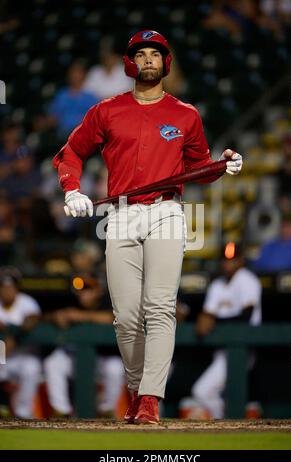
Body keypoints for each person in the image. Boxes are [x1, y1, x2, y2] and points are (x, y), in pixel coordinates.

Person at [52, 30, 243, 424]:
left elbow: (199, 169)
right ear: (131, 63)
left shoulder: (185, 114)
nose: (149, 60)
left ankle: (151, 400)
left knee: (159, 307)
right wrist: (72, 190)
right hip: (119, 214)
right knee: (124, 315)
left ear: (165, 62)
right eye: (142, 54)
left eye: (155, 54)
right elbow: (70, 152)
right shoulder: (106, 110)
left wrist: (223, 166)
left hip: (167, 213)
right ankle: (138, 388)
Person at [180, 243, 262, 419]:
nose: (228, 264)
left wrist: (214, 321)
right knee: (218, 393)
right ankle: (229, 422)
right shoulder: (217, 285)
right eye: (225, 261)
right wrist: (204, 318)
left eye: (232, 260)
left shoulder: (247, 279)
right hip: (220, 351)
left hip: (242, 350)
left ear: (240, 261)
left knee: (202, 390)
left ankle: (223, 421)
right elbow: (208, 314)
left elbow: (247, 316)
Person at [44, 274, 124, 418]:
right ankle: (61, 410)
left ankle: (106, 409)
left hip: (102, 357)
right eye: (80, 290)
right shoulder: (70, 301)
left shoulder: (108, 301)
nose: (82, 294)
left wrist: (80, 316)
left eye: (88, 289)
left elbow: (113, 317)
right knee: (53, 362)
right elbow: (46, 315)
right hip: (74, 357)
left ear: (98, 291)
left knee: (115, 368)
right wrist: (56, 317)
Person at [0, 267, 42, 419]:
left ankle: (23, 414)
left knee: (32, 367)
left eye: (10, 286)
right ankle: (2, 407)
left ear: (16, 287)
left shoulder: (26, 301)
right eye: (3, 287)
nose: (6, 290)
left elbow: (32, 319)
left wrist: (14, 335)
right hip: (3, 356)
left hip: (24, 355)